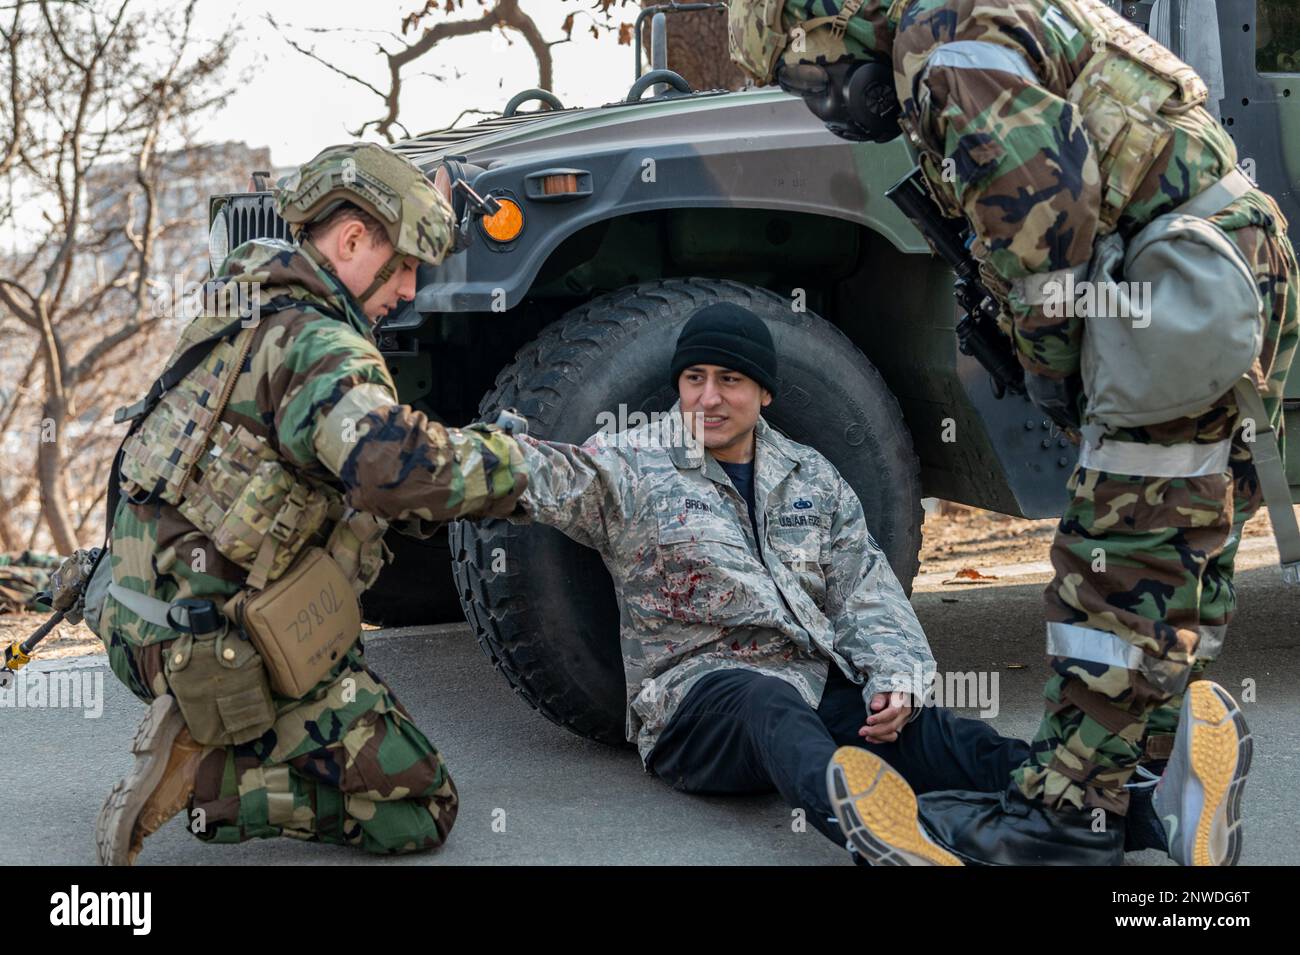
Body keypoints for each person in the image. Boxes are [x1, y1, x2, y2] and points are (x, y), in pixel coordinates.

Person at [727, 0, 1288, 864]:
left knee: (1115, 565)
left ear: (829, 24)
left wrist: (1048, 364)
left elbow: (1041, 215)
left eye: (808, 73)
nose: (826, 102)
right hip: (1230, 262)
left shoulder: (940, 34)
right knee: (1180, 554)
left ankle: (1063, 821)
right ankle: (1154, 776)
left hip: (1172, 282)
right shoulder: (990, 12)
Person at [94, 142, 529, 865]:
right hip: (217, 650)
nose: (411, 290)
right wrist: (518, 467)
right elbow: (394, 470)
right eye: (408, 265)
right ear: (353, 239)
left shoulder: (238, 305)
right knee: (423, 808)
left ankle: (238, 724)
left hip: (132, 623)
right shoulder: (321, 344)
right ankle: (206, 774)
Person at [506, 301, 1041, 860]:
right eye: (694, 379)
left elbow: (866, 592)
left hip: (808, 689)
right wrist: (478, 457)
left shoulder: (810, 474)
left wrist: (894, 680)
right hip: (695, 710)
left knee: (936, 736)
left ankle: (1092, 811)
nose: (708, 398)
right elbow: (549, 477)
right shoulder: (632, 464)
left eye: (729, 380)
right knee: (769, 701)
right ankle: (882, 836)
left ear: (764, 393)